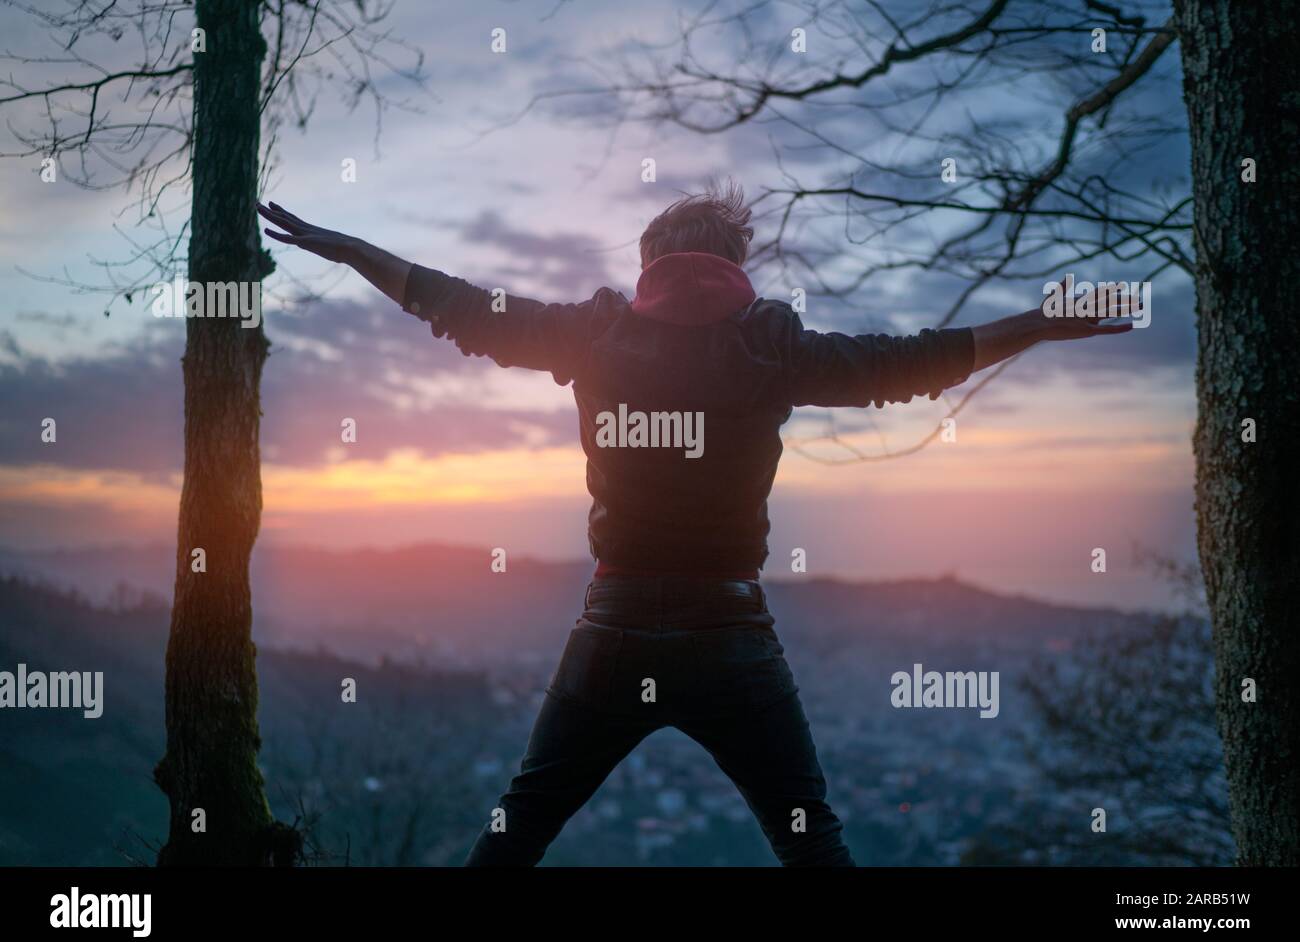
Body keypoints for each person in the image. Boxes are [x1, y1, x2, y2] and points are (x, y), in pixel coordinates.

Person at [258, 184, 1133, 866]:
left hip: (614, 630)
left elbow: (452, 303)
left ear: (650, 265)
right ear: (734, 263)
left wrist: (350, 249)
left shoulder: (592, 336)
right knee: (810, 840)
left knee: (520, 825)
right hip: (731, 637)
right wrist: (1039, 325)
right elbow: (910, 364)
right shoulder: (771, 346)